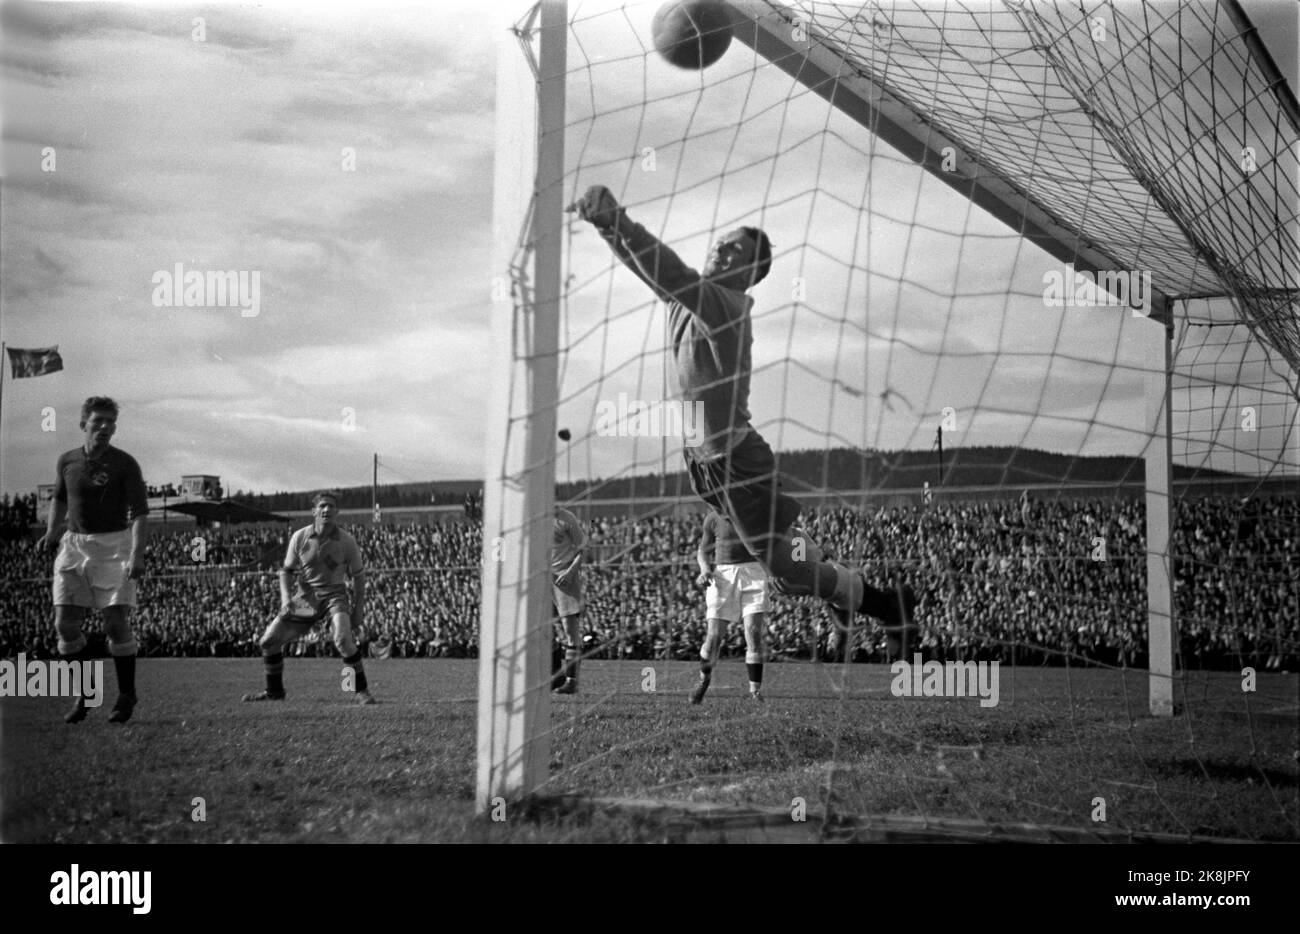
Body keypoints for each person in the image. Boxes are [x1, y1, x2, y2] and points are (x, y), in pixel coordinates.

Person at [567, 185, 917, 640]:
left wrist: (618, 220)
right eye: (723, 241)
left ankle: (881, 603)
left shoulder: (724, 305)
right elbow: (650, 272)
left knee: (786, 574)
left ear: (748, 274)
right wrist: (607, 228)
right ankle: (840, 580)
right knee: (781, 552)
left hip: (734, 462)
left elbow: (669, 272)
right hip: (706, 462)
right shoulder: (690, 300)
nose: (722, 248)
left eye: (735, 249)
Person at [39, 397, 149, 724]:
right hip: (74, 545)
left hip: (114, 545)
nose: (105, 427)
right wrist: (51, 532)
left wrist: (137, 553)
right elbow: (59, 500)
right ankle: (86, 693)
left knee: (115, 624)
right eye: (98, 420)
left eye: (110, 422)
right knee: (65, 625)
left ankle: (126, 694)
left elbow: (141, 513)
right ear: (83, 423)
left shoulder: (125, 464)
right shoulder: (67, 461)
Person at [242, 491, 375, 705]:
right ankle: (275, 692)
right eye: (322, 505)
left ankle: (359, 691)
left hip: (334, 596)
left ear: (337, 512)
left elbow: (359, 577)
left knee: (342, 640)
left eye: (331, 506)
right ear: (314, 511)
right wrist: (286, 601)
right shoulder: (300, 537)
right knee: (268, 642)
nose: (327, 509)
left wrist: (358, 610)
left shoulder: (347, 540)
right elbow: (286, 571)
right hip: (305, 598)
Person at [691, 508, 772, 703]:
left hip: (754, 572)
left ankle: (755, 692)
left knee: (753, 631)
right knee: (713, 638)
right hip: (723, 575)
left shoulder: (757, 512)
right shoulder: (712, 518)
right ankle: (704, 678)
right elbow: (703, 550)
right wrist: (704, 570)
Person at [551, 505, 586, 694]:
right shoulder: (534, 519)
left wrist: (571, 572)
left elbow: (583, 549)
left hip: (564, 579)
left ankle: (572, 682)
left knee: (570, 631)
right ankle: (556, 678)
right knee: (544, 632)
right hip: (541, 580)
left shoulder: (566, 518)